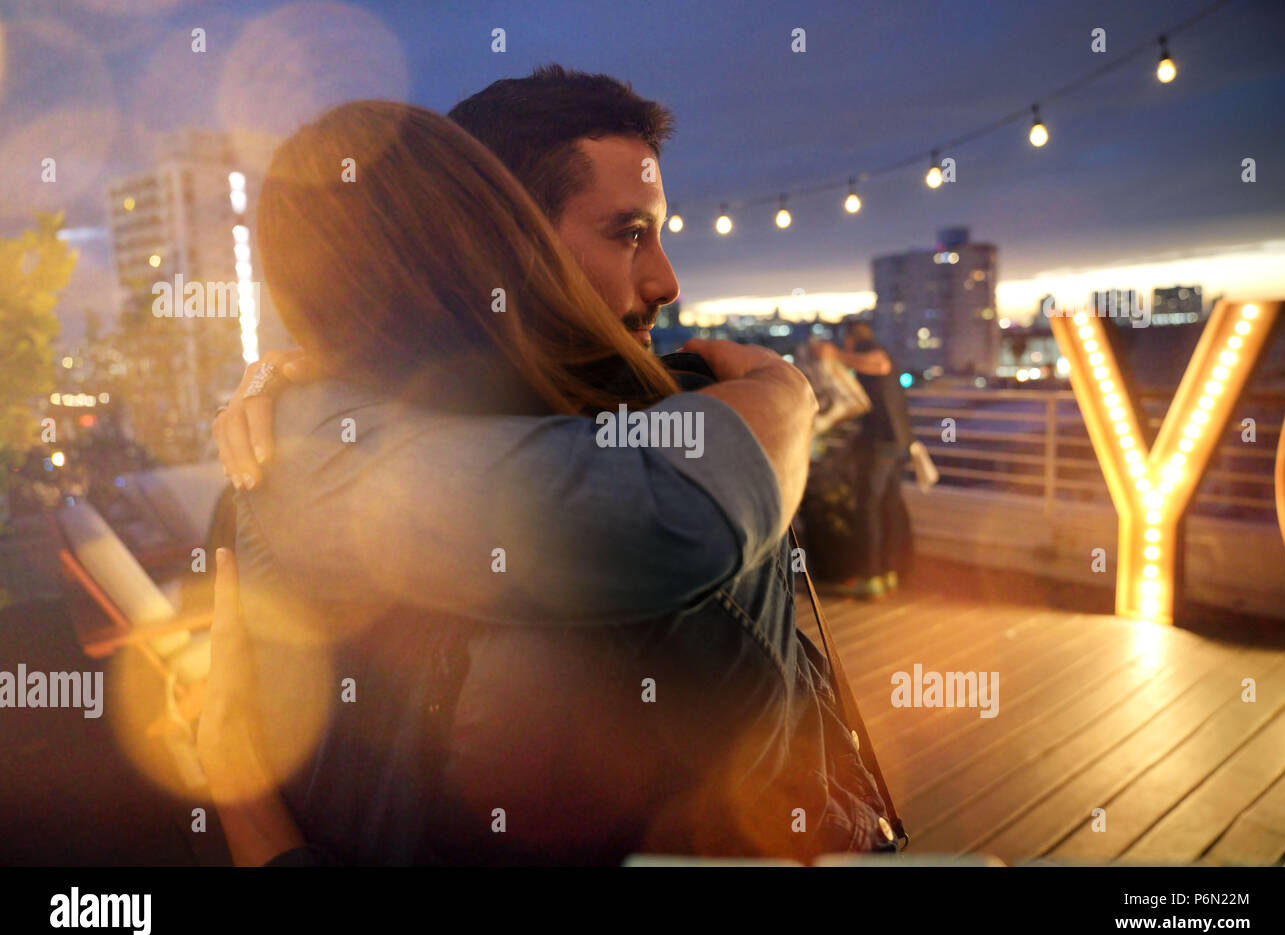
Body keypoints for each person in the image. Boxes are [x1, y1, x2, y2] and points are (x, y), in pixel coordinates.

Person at [201, 94, 899, 865]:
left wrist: (245, 805)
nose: (668, 281)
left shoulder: (297, 472)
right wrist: (781, 392)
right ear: (506, 245)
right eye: (628, 234)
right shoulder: (642, 455)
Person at [818, 321, 915, 598]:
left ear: (850, 339)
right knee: (889, 507)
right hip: (898, 441)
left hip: (879, 443)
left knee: (868, 508)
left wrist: (835, 356)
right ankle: (888, 573)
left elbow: (879, 364)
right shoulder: (875, 351)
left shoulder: (870, 350)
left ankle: (871, 576)